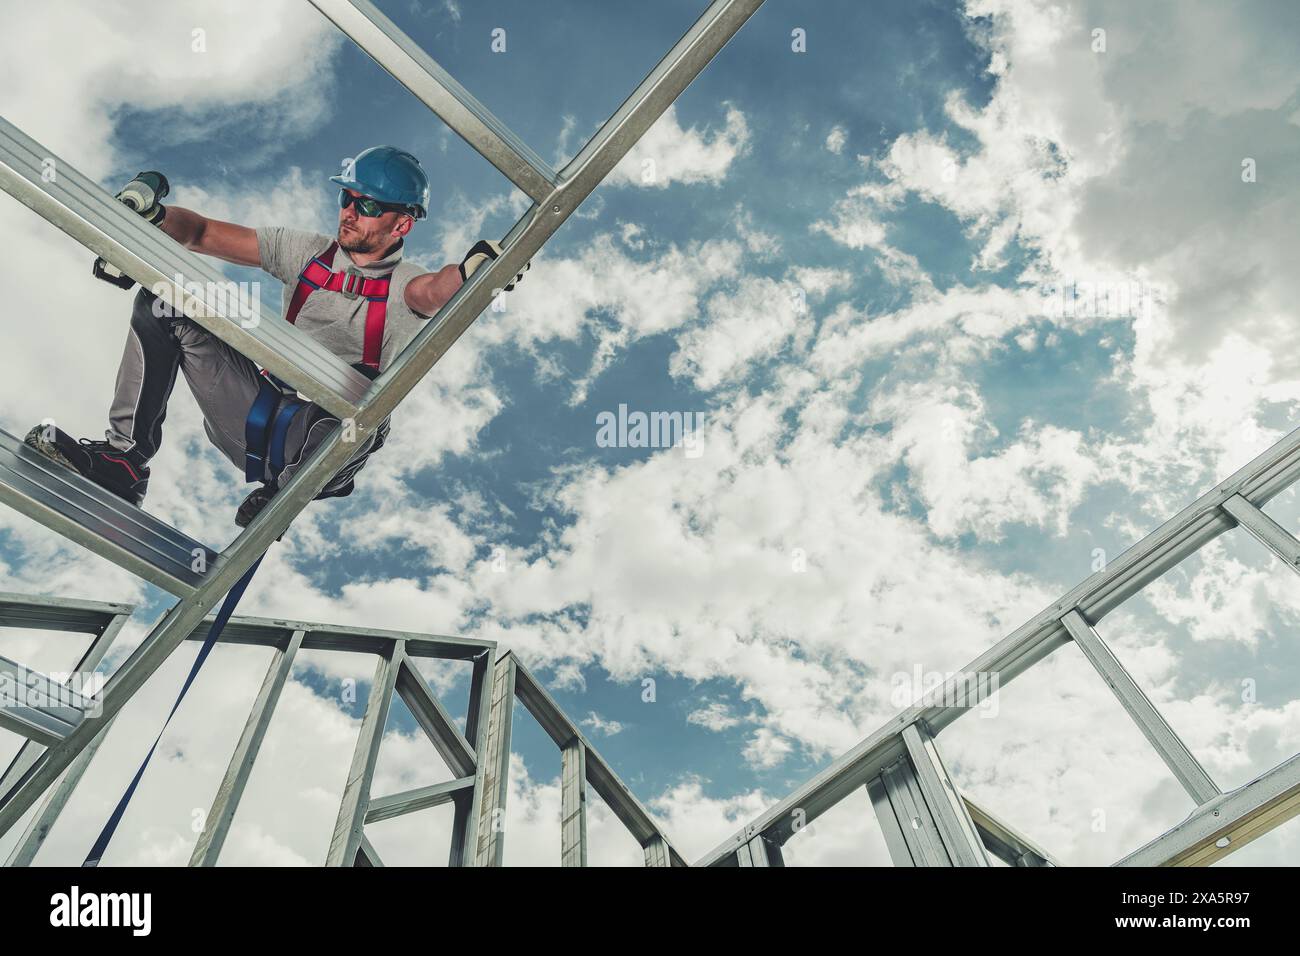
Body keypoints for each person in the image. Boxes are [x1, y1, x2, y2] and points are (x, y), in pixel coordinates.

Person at [26, 146, 526, 526]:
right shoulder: (305, 251)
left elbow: (436, 290)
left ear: (402, 223)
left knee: (365, 418)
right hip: (249, 414)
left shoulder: (404, 286)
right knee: (163, 301)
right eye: (346, 197)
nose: (349, 211)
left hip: (319, 444)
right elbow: (199, 233)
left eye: (367, 204)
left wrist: (477, 272)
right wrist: (153, 218)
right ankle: (123, 464)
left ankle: (289, 491)